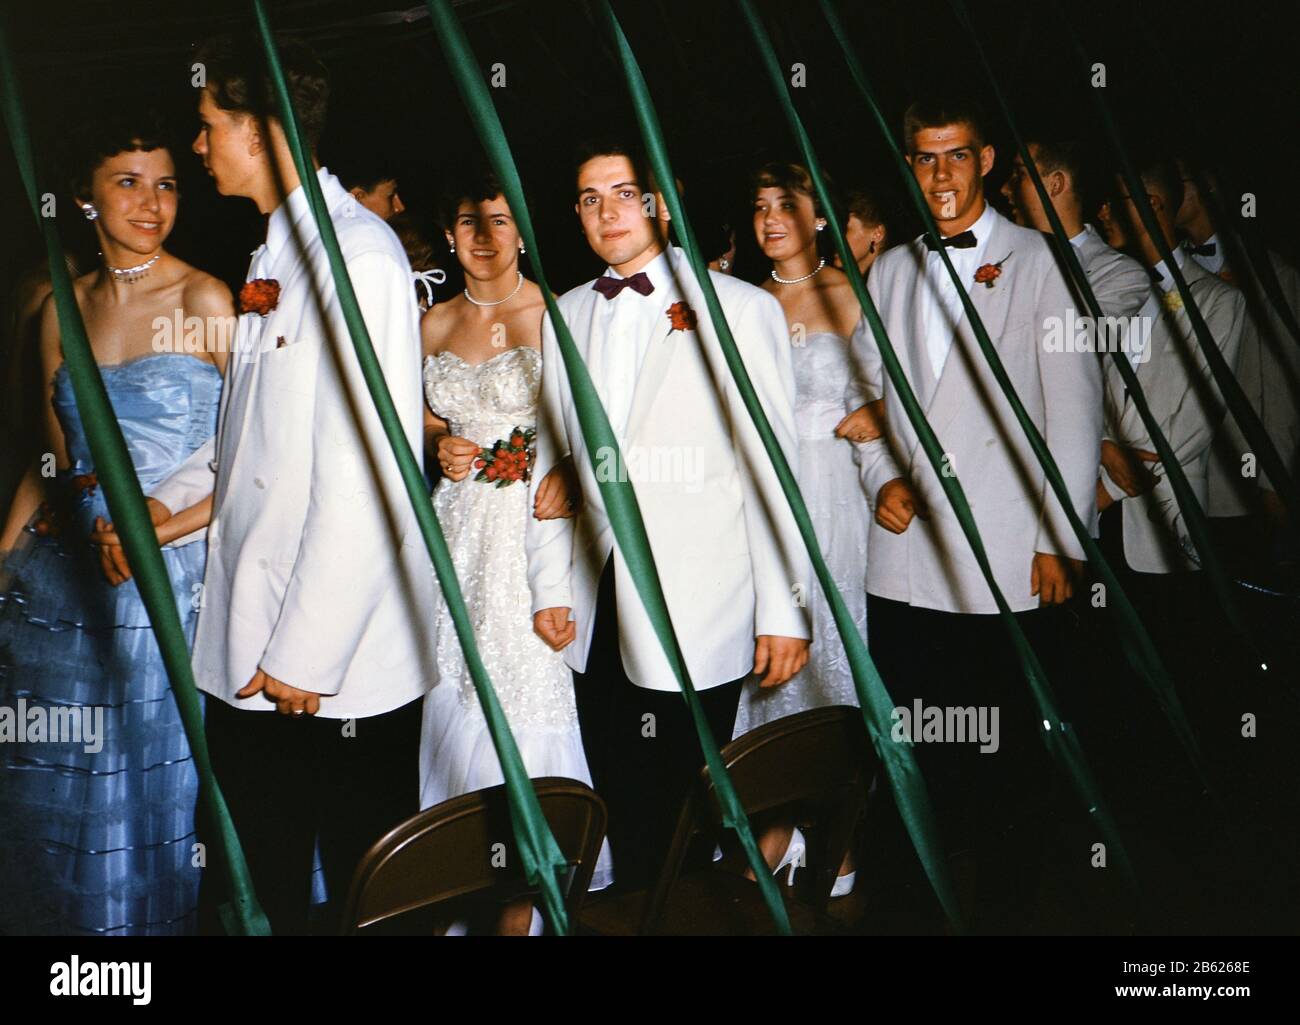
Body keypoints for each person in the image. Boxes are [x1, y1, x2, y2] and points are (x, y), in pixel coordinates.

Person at [139, 33, 437, 935]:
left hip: (322, 662)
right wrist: (167, 497)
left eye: (207, 127)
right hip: (252, 625)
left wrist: (306, 652)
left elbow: (368, 469)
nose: (197, 148)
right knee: (261, 875)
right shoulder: (274, 253)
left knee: (359, 891)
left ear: (262, 132)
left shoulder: (363, 259)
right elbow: (255, 424)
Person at [526, 139, 812, 892]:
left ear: (661, 201)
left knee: (688, 794)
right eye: (590, 198)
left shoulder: (741, 309)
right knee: (622, 793)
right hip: (598, 599)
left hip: (698, 599)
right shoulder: (567, 312)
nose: (607, 211)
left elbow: (774, 468)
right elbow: (555, 461)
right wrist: (551, 583)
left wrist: (784, 607)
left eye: (624, 192)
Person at [854, 95, 1101, 928]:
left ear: (987, 160)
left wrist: (1061, 539)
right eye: (923, 158)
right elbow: (874, 400)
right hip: (904, 564)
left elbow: (1074, 413)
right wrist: (881, 474)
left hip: (1006, 552)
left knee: (1007, 752)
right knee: (916, 745)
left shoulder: (1040, 261)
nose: (940, 175)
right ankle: (914, 904)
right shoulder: (888, 270)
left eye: (955, 156)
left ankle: (1004, 908)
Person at [0, 114, 231, 935]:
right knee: (55, 774)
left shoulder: (205, 297)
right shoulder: (60, 309)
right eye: (128, 182)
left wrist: (158, 531)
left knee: (143, 776)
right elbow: (55, 459)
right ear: (85, 200)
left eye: (166, 182)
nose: (151, 202)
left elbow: (255, 463)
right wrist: (2, 557)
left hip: (171, 574)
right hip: (62, 584)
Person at [418, 169, 613, 932]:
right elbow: (418, 418)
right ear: (449, 234)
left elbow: (594, 427)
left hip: (531, 534)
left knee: (523, 699)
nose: (484, 235)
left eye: (499, 220)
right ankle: (457, 884)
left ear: (523, 231)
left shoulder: (555, 313)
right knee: (452, 692)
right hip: (454, 531)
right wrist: (442, 442)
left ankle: (525, 905)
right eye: (469, 220)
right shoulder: (431, 324)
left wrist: (566, 464)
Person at [733, 161, 873, 894]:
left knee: (830, 661)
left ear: (820, 216)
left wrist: (876, 416)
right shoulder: (745, 304)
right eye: (759, 207)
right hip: (763, 500)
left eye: (786, 204)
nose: (770, 218)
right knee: (768, 661)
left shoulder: (855, 295)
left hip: (832, 492)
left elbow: (899, 391)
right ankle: (776, 820)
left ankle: (838, 835)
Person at [1175, 155, 1299, 548]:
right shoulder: (1157, 269)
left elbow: (1281, 385)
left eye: (1177, 180)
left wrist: (1273, 480)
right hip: (1175, 482)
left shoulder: (1269, 274)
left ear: (1207, 186)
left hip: (1238, 486)